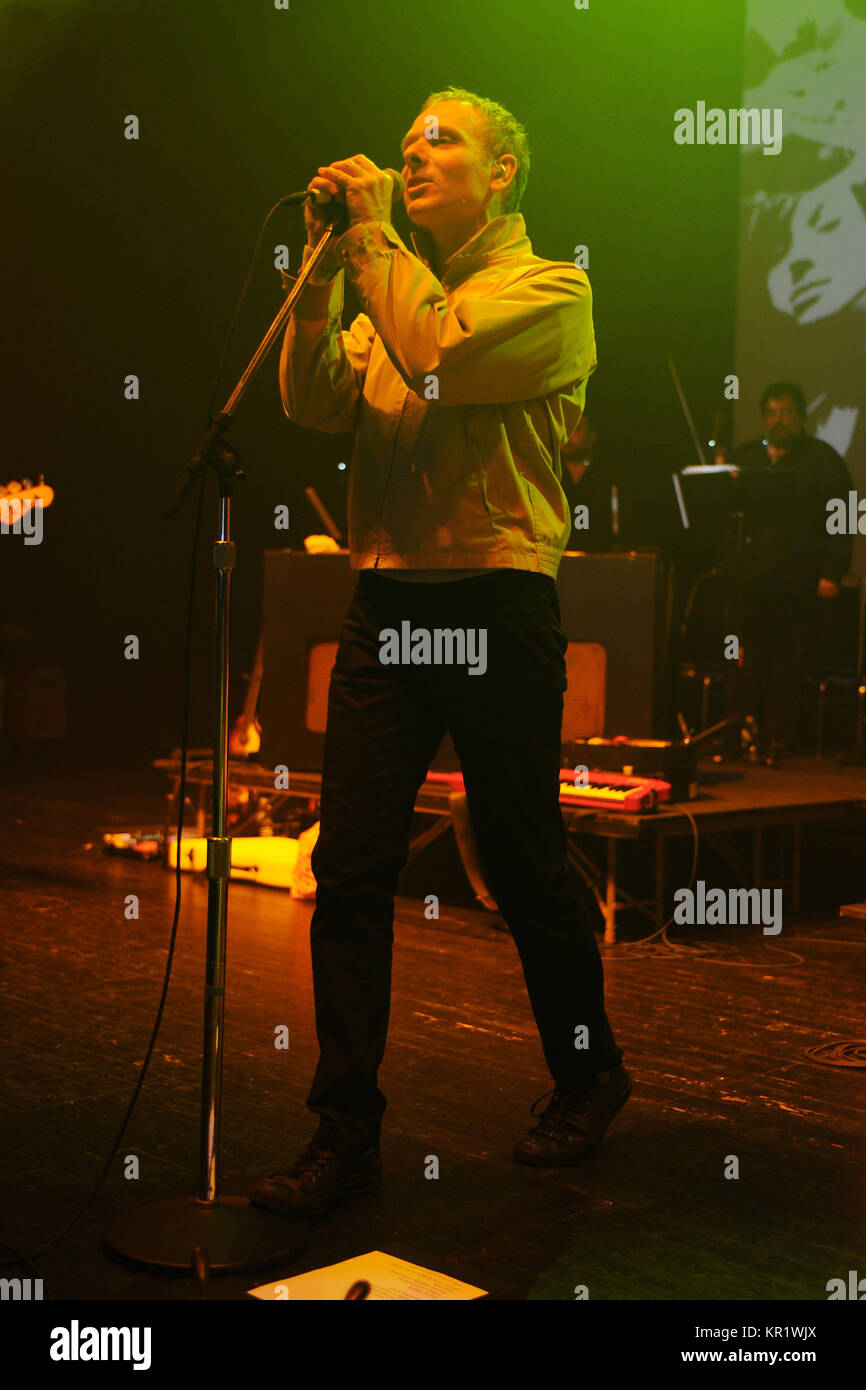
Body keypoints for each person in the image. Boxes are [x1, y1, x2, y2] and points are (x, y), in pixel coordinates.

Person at [252, 87, 629, 1217]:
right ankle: (343, 1127)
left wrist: (366, 239)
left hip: (496, 597)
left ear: (504, 169)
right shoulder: (385, 281)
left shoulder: (548, 289)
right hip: (388, 599)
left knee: (517, 857)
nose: (413, 155)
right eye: (406, 142)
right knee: (350, 864)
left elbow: (428, 358)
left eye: (442, 140)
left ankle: (587, 1068)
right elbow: (314, 398)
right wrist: (324, 269)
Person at [723, 382, 854, 760]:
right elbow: (724, 516)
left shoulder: (823, 458)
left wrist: (832, 570)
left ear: (801, 417)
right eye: (772, 413)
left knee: (788, 660)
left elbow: (842, 515)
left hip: (799, 578)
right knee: (743, 656)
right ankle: (742, 732)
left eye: (787, 413)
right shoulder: (746, 456)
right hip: (749, 578)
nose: (779, 421)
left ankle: (780, 737)